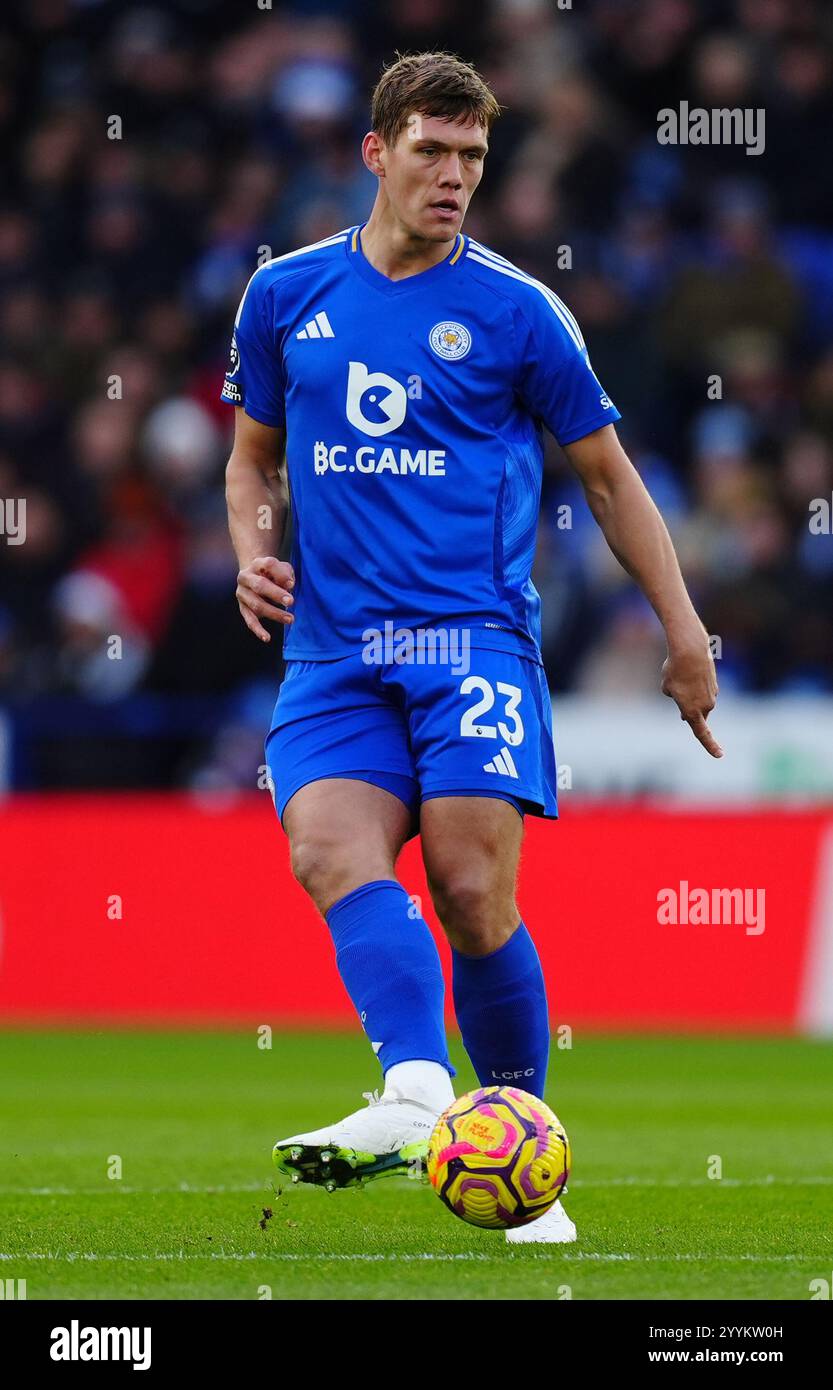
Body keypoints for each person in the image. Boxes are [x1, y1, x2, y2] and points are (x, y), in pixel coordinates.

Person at [222, 51, 720, 1244]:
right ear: (375, 153)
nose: (453, 178)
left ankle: (523, 1165)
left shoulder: (514, 310)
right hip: (333, 653)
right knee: (326, 849)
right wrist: (251, 549)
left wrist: (683, 630)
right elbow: (250, 458)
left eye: (472, 160)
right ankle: (413, 1092)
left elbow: (605, 479)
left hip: (470, 645)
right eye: (433, 153)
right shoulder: (283, 297)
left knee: (468, 888)